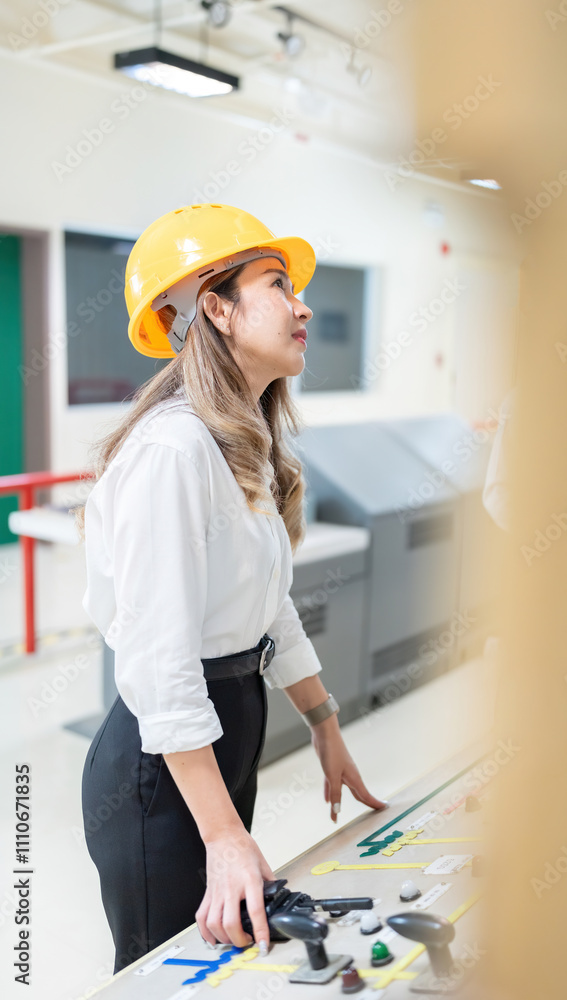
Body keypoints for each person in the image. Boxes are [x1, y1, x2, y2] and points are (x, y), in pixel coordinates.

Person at [77, 203, 387, 974]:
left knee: (218, 960)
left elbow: (266, 603)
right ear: (214, 308)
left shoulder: (234, 440)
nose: (303, 303)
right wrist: (222, 835)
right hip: (161, 764)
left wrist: (323, 722)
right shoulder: (173, 452)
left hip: (224, 730)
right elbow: (156, 662)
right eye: (278, 283)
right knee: (167, 971)